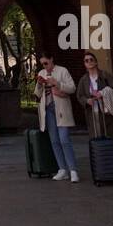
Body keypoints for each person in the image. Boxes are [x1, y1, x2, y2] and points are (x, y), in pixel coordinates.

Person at [34, 54, 79, 182]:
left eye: (46, 63)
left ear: (52, 59)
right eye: (42, 64)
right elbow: (37, 94)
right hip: (48, 110)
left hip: (61, 109)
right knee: (54, 140)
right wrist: (39, 83)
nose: (45, 66)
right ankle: (62, 169)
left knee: (64, 139)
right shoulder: (42, 72)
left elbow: (72, 88)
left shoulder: (62, 71)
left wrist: (57, 83)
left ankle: (73, 170)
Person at [77, 53, 113, 150]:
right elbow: (79, 96)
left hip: (106, 113)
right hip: (92, 114)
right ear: (84, 64)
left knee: (109, 137)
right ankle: (101, 161)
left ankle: (111, 160)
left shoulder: (105, 76)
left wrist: (103, 93)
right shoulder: (83, 80)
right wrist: (87, 100)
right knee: (96, 138)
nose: (89, 62)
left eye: (91, 59)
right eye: (86, 60)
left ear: (96, 62)